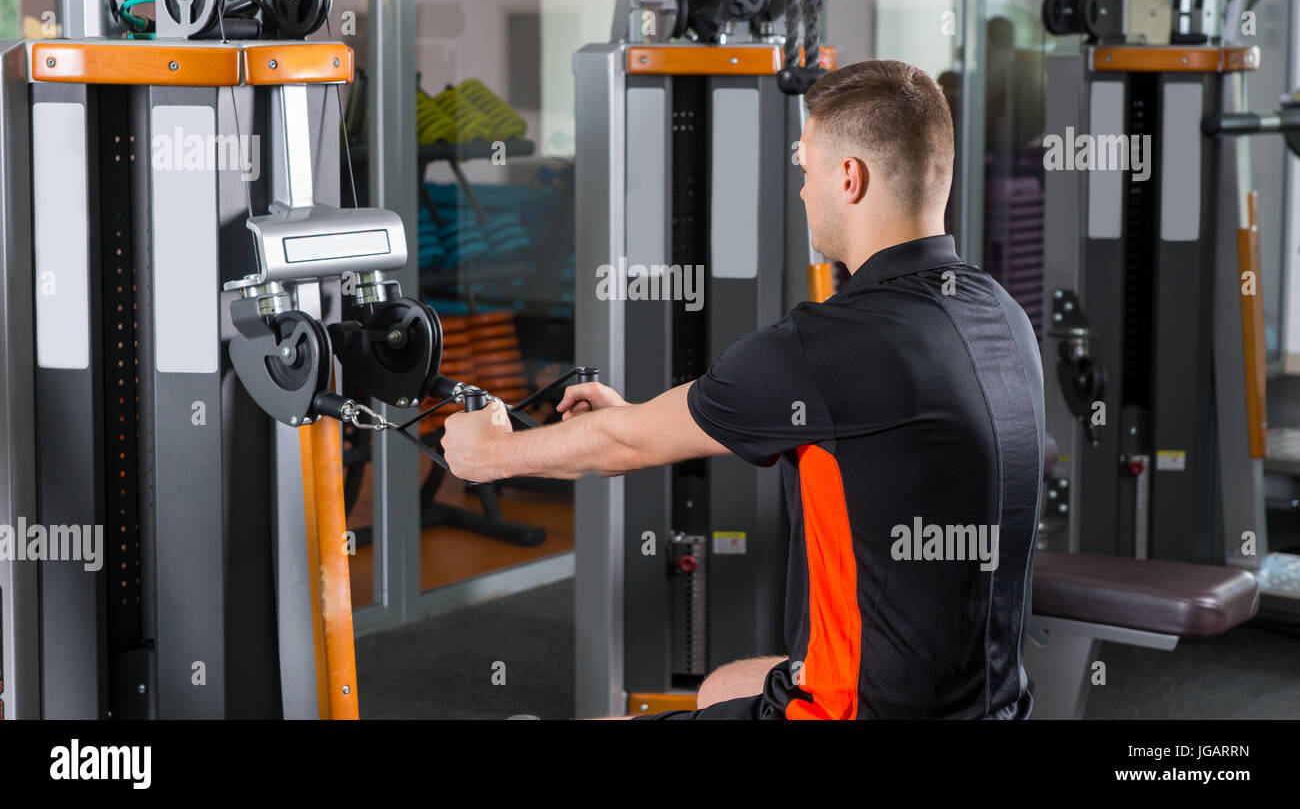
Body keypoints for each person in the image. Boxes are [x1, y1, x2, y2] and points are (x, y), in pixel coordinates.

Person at [442, 59, 1045, 719]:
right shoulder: (1002, 315)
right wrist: (640, 417)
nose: (803, 192)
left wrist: (491, 455)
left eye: (806, 171)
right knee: (722, 686)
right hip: (988, 704)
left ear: (850, 179)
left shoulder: (831, 342)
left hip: (857, 711)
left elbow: (622, 445)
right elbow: (861, 436)